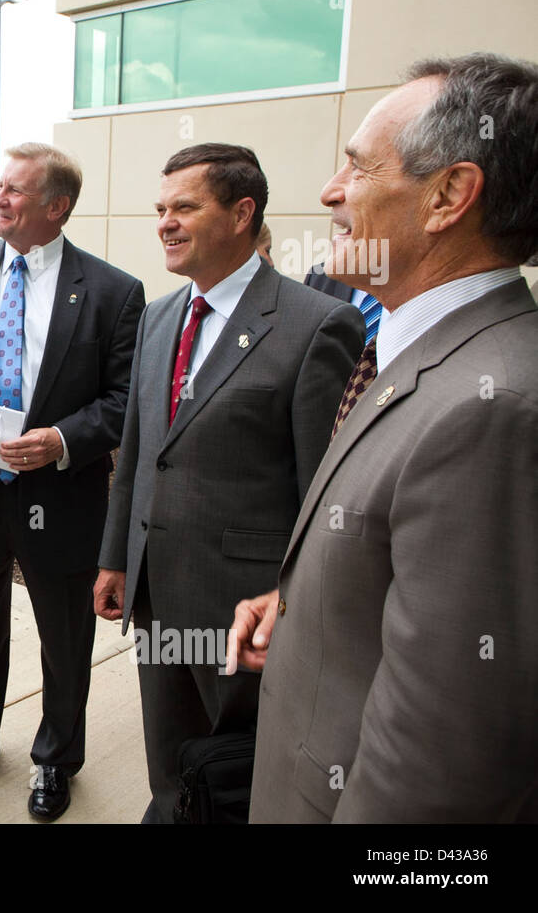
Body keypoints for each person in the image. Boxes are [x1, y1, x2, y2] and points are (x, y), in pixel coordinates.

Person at [230, 53, 538, 822]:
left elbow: (440, 763)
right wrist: (301, 600)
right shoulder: (415, 354)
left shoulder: (492, 411)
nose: (330, 191)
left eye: (358, 169)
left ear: (449, 196)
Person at [94, 143, 363, 823]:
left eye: (185, 207)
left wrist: (294, 600)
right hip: (156, 591)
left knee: (243, 776)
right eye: (160, 209)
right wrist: (115, 558)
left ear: (243, 213)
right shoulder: (158, 316)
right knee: (171, 763)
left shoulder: (316, 323)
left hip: (244, 612)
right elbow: (140, 453)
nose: (165, 223)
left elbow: (321, 491)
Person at [0, 142, 144, 821]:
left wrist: (63, 440)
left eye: (15, 190)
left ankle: (56, 759)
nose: (0, 199)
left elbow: (126, 396)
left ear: (56, 206)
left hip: (60, 498)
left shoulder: (112, 292)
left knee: (65, 640)